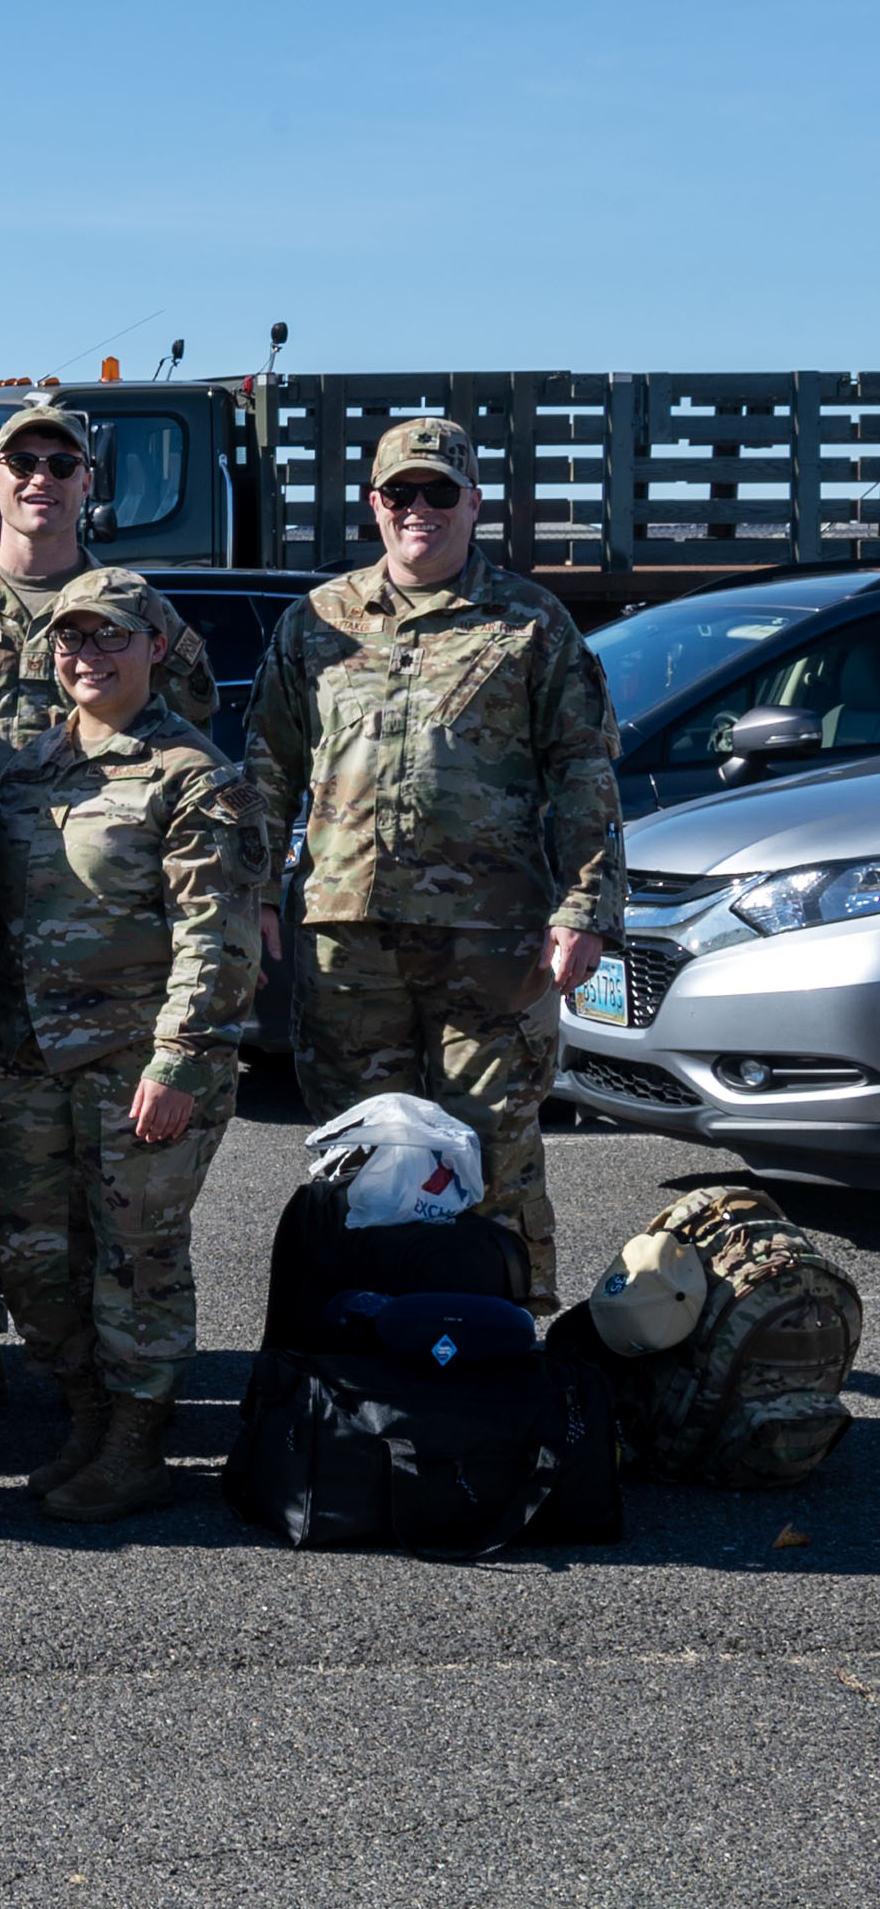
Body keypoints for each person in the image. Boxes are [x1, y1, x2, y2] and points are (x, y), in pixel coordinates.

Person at [0, 402, 223, 1422]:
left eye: (59, 461)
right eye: (19, 460)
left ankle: (117, 1404)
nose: (39, 476)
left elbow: (187, 746)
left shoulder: (141, 613)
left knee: (108, 1200)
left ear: (88, 482)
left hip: (98, 945)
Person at [246, 417, 622, 1302]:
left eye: (440, 492)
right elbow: (266, 767)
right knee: (359, 1149)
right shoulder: (317, 623)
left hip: (490, 941)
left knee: (491, 1148)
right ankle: (364, 1353)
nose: (421, 510)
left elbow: (582, 772)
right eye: (401, 493)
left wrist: (586, 909)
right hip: (348, 942)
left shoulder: (531, 624)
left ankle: (501, 1352)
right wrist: (256, 892)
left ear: (474, 504)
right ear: (374, 505)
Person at [0, 570, 256, 1521]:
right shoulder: (27, 767)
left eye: (111, 640)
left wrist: (179, 1058)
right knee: (31, 1255)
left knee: (136, 1256)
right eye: (71, 640)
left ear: (156, 651)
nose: (87, 657)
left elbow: (217, 934)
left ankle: (136, 1443)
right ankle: (87, 1418)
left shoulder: (194, 776)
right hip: (30, 1059)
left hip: (140, 1061)